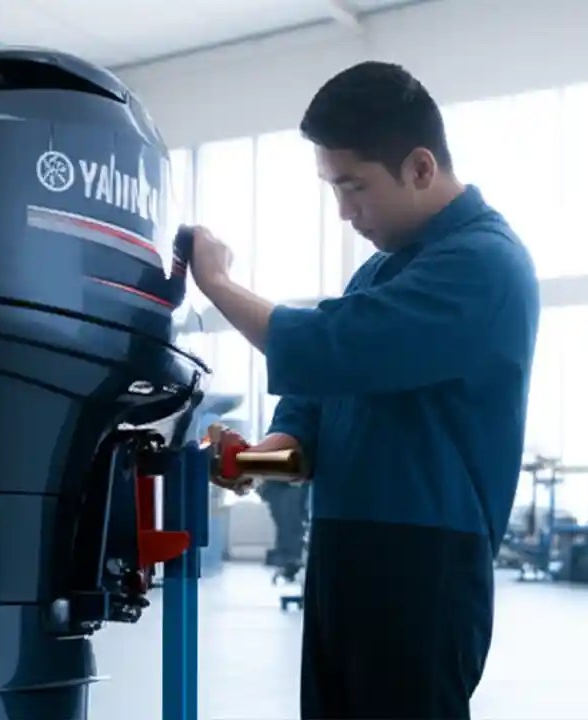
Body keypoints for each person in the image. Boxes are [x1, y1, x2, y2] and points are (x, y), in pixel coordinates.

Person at [186, 60, 541, 719]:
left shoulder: (483, 263)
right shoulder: (376, 277)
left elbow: (328, 346)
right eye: (333, 189)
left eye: (355, 188)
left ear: (420, 168)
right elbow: (303, 443)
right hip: (343, 554)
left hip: (423, 567)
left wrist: (221, 286)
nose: (345, 212)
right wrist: (244, 461)